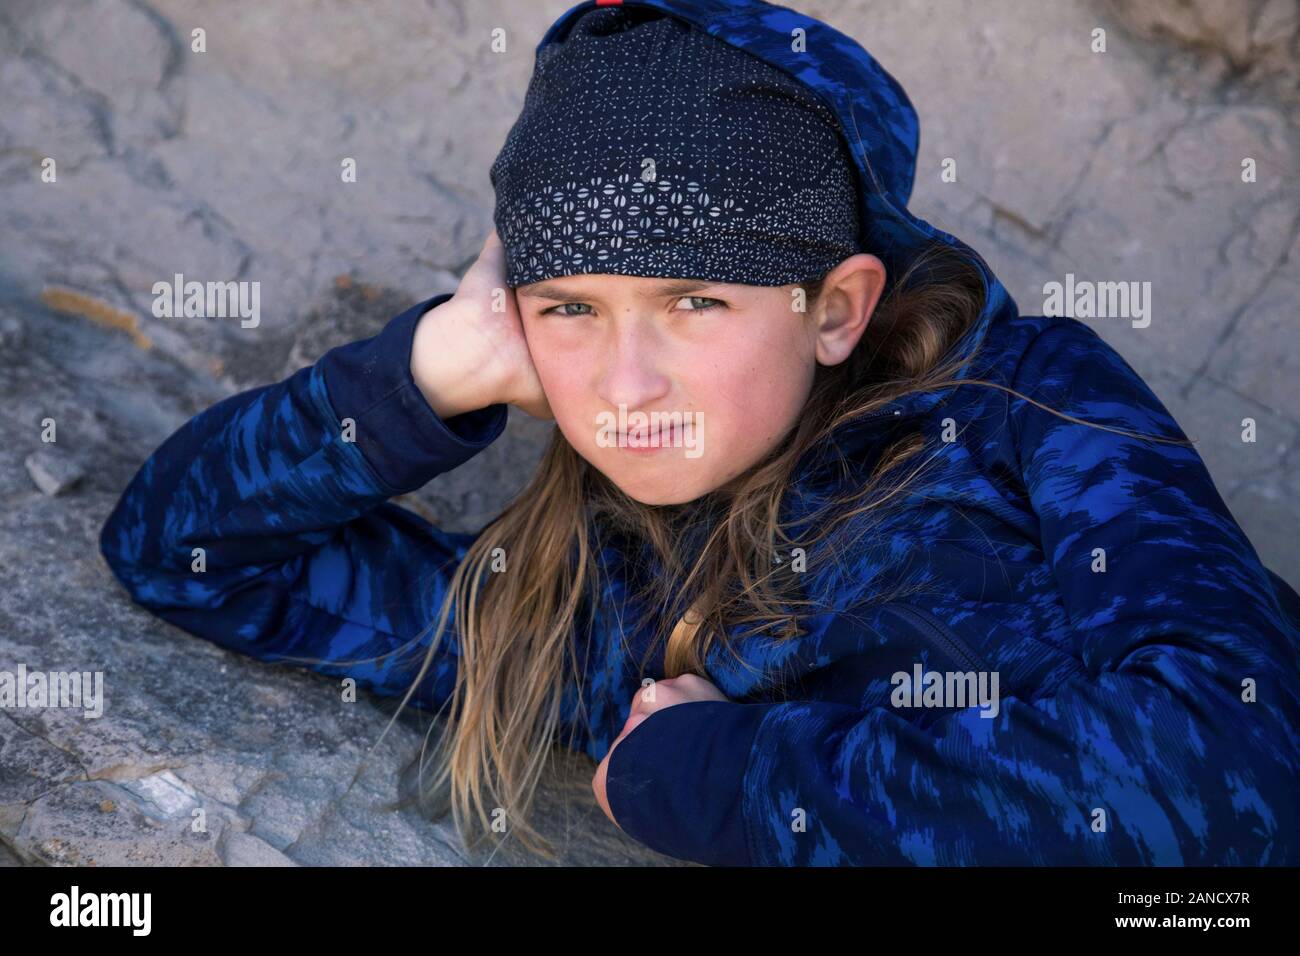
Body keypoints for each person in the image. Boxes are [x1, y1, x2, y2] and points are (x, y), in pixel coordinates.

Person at [100, 0, 1300, 866]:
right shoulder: (582, 615)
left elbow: (1238, 765)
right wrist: (425, 375)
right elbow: (180, 548)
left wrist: (722, 776)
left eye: (694, 302)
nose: (625, 377)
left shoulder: (1030, 405)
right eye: (570, 308)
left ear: (834, 308)